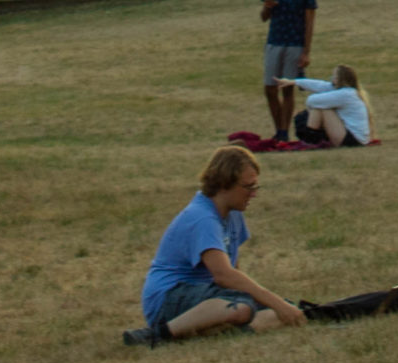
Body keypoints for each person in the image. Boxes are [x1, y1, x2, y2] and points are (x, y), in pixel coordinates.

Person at [129, 146, 305, 345]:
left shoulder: (233, 213)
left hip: (208, 296)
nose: (253, 194)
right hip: (169, 299)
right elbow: (224, 275)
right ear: (223, 185)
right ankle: (158, 334)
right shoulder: (202, 218)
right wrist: (275, 302)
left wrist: (281, 306)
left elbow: (234, 272)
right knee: (242, 308)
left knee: (281, 310)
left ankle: (206, 334)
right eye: (248, 187)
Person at [257, 0, 316, 139]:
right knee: (270, 88)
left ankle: (283, 131)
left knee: (288, 89)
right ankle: (278, 129)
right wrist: (267, 7)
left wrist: (306, 51)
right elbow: (263, 18)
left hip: (294, 43)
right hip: (274, 41)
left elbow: (309, 22)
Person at [286, 63, 373, 146]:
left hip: (354, 140)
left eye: (334, 76)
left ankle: (309, 139)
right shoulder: (349, 91)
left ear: (340, 79)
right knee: (322, 106)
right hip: (356, 138)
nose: (331, 78)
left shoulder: (346, 94)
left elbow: (312, 101)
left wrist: (309, 111)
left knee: (322, 109)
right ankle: (311, 137)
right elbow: (319, 85)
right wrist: (295, 82)